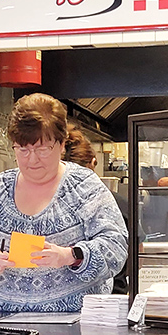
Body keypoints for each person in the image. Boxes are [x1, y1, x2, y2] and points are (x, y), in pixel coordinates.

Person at [0, 93, 128, 314]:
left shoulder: (84, 187)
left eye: (42, 149)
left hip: (76, 328)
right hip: (4, 329)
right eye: (23, 149)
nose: (32, 159)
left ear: (62, 144)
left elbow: (116, 246)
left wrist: (70, 256)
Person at [63, 124, 142, 294]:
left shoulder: (48, 205)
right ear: (93, 162)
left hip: (58, 306)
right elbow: (137, 258)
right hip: (110, 301)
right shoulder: (117, 202)